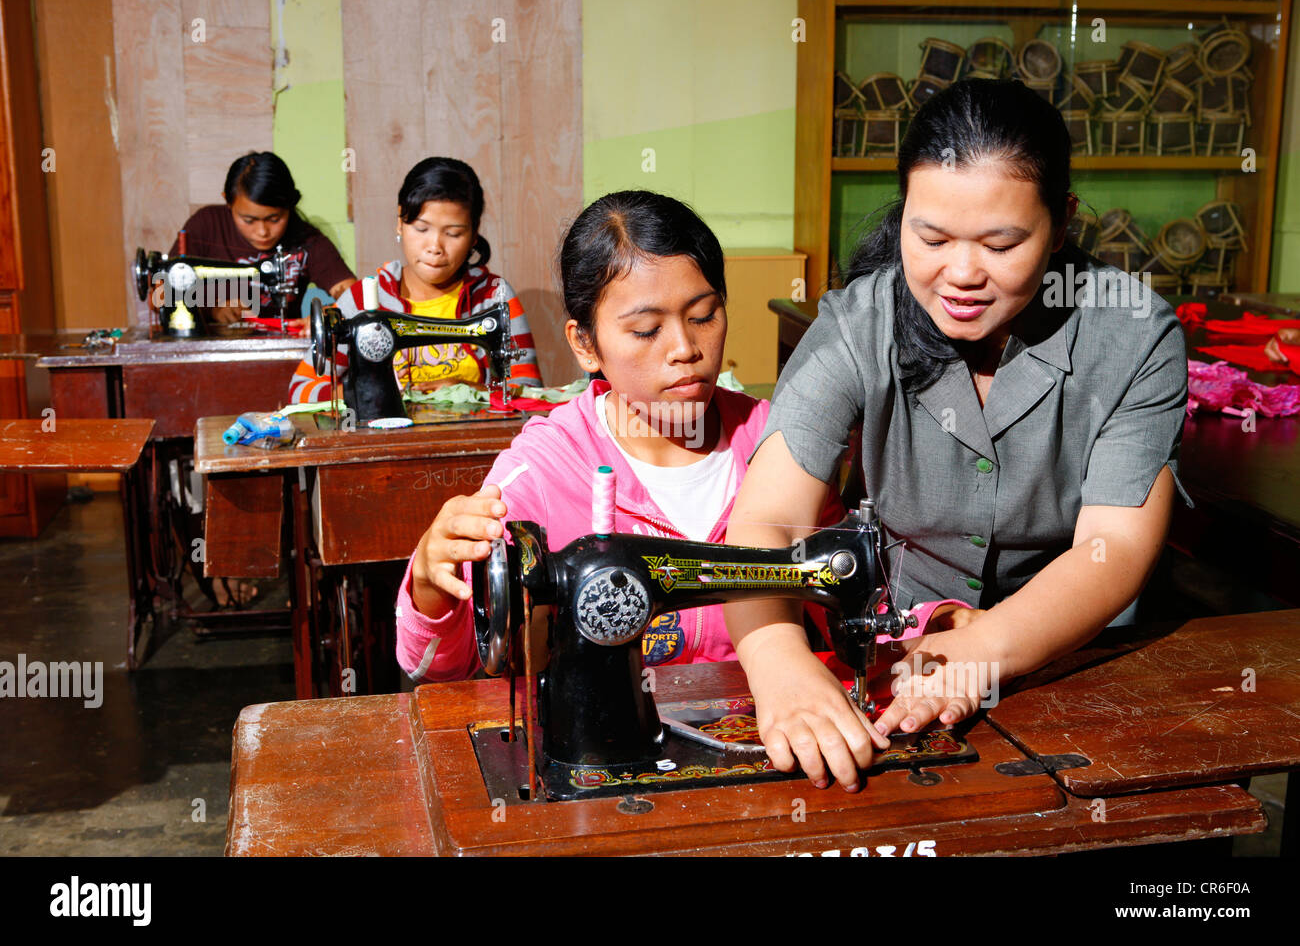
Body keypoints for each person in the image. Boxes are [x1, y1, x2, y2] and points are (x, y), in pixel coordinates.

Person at [725, 79, 1190, 792]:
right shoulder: (860, 323)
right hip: (902, 648)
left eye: (1002, 244)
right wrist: (781, 666)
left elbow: (1118, 546)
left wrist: (981, 652)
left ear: (1061, 222)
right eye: (931, 237)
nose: (962, 275)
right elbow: (763, 520)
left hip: (1071, 659)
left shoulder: (1132, 335)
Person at [393, 190, 858, 681]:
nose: (685, 348)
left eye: (703, 316)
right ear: (585, 344)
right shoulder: (543, 473)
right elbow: (441, 669)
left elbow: (855, 600)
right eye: (645, 330)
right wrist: (430, 584)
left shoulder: (778, 443)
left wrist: (928, 631)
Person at [288, 157, 540, 404]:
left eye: (453, 233)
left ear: (474, 234)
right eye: (421, 229)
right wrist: (366, 394)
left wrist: (473, 391)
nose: (435, 247)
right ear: (400, 222)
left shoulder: (494, 296)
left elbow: (530, 390)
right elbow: (301, 389)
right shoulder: (360, 301)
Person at [164, 151, 356, 323]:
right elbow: (163, 294)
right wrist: (212, 310)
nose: (263, 231)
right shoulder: (206, 227)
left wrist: (325, 317)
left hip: (282, 355)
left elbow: (356, 297)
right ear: (228, 201)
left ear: (290, 206)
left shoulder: (308, 241)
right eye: (249, 220)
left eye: (275, 218)